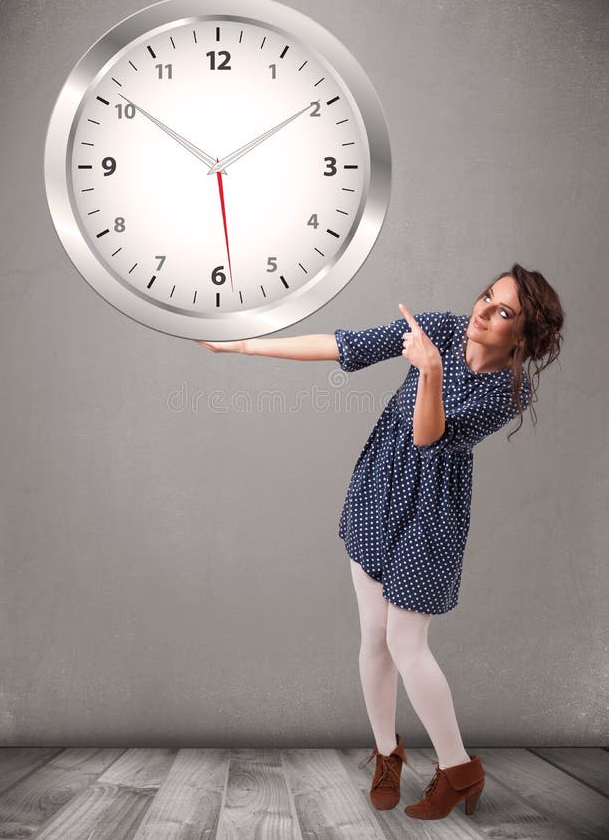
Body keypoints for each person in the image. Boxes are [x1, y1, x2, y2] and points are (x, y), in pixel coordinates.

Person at [194, 262, 564, 821]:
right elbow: (344, 346)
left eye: (502, 311)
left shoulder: (511, 389)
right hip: (378, 490)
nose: (481, 313)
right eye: (485, 297)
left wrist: (432, 373)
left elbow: (427, 437)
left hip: (432, 515)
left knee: (407, 644)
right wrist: (245, 346)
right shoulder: (441, 328)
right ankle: (387, 754)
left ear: (525, 334)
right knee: (373, 636)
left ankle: (460, 769)